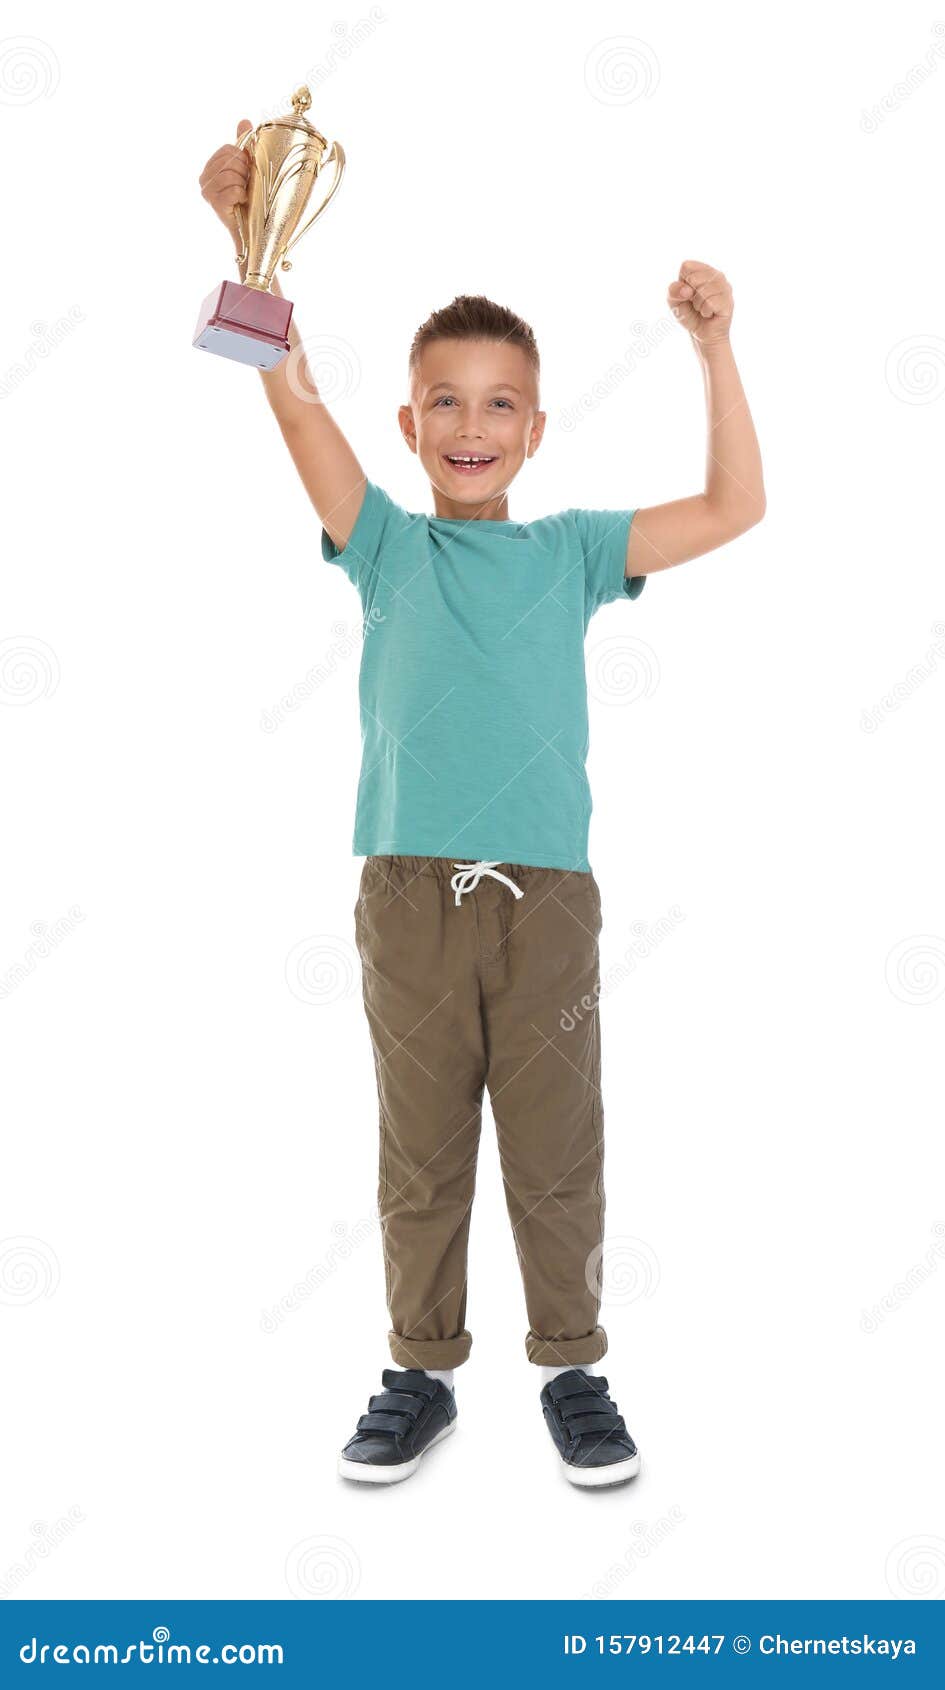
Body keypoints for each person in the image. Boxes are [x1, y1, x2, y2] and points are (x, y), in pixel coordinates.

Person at [198, 125, 766, 1488]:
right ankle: (421, 1370)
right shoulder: (382, 543)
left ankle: (572, 1368)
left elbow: (736, 506)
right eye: (444, 403)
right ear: (408, 425)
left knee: (559, 1143)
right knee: (421, 1145)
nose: (470, 427)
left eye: (500, 404)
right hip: (407, 897)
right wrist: (247, 252)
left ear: (535, 428)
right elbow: (291, 404)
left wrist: (713, 349)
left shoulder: (574, 552)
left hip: (546, 900)